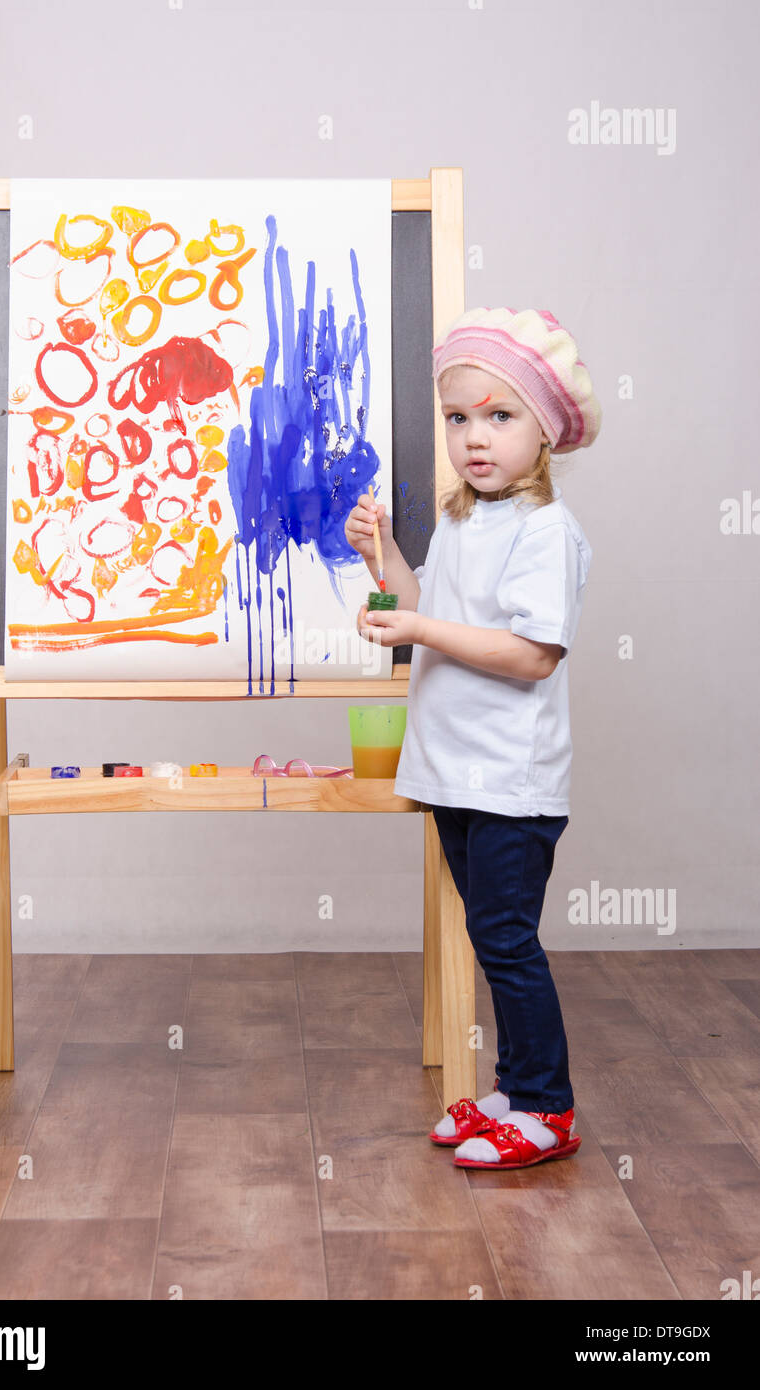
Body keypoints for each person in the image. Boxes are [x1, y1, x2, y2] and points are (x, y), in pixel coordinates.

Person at [344, 306, 601, 1171]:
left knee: (507, 939)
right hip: (454, 772)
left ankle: (548, 1108)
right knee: (491, 936)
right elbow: (426, 603)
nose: (474, 438)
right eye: (458, 419)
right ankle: (517, 1084)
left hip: (509, 782)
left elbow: (531, 655)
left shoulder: (544, 532)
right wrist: (383, 555)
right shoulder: (462, 519)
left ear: (547, 433)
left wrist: (416, 631)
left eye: (500, 416)